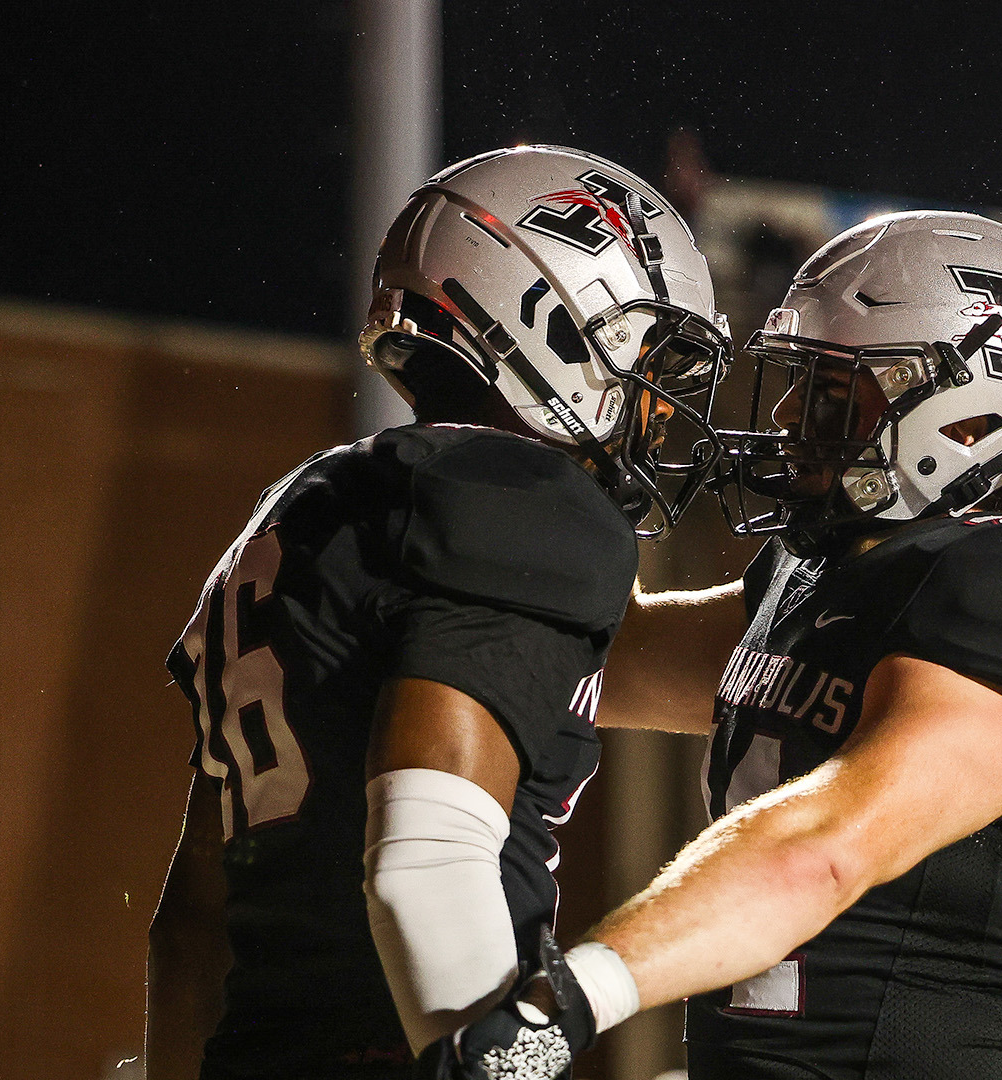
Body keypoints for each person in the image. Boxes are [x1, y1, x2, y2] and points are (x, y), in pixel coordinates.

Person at [421, 211, 1002, 1080]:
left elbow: (823, 847)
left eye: (833, 395)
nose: (785, 417)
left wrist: (572, 996)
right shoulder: (822, 577)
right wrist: (530, 452)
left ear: (969, 419)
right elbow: (591, 660)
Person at [145, 145, 730, 1080]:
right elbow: (428, 860)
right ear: (551, 319)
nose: (661, 409)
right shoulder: (521, 502)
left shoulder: (327, 507)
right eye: (651, 354)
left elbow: (196, 926)